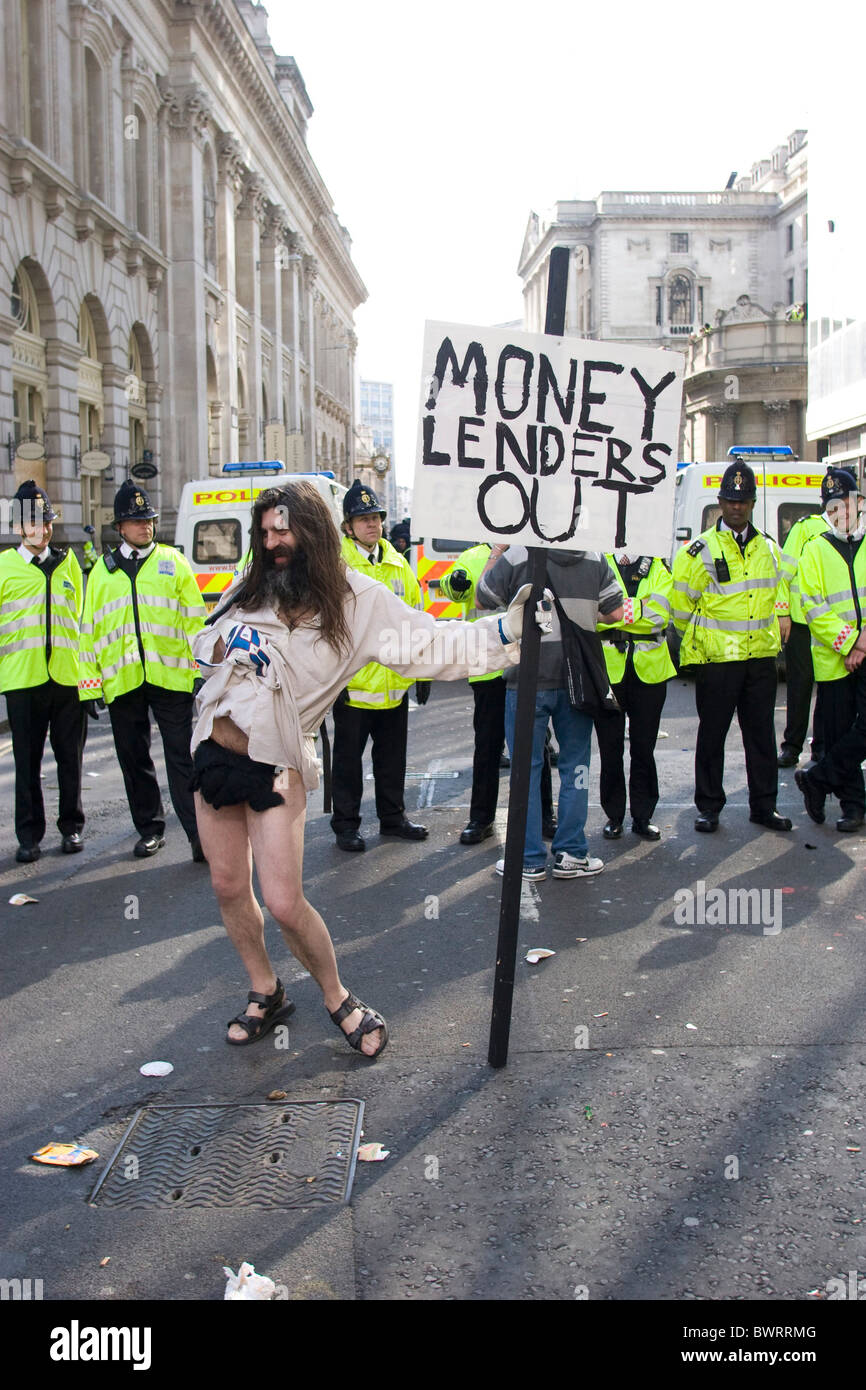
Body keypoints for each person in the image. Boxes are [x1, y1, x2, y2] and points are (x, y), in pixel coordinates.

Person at [190, 481, 533, 1051]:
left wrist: (506, 631)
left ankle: (337, 998)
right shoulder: (250, 584)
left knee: (283, 901)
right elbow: (203, 639)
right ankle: (265, 989)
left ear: (314, 532)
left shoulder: (359, 601)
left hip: (277, 765)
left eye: (283, 531)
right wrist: (220, 651)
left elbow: (432, 645)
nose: (272, 543)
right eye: (265, 532)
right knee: (228, 886)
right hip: (213, 754)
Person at [477, 545, 624, 879]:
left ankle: (528, 859)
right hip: (577, 679)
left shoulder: (518, 553)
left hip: (526, 679)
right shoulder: (594, 556)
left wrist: (496, 551)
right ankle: (572, 854)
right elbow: (615, 613)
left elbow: (482, 598)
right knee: (576, 767)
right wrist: (580, 615)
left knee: (525, 770)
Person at [78, 481, 207, 860]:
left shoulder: (173, 562)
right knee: (134, 760)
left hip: (172, 679)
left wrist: (201, 671)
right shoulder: (102, 572)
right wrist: (89, 686)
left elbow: (195, 621)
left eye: (148, 519)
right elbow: (89, 630)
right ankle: (150, 829)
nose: (145, 526)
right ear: (120, 527)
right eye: (136, 521)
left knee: (183, 758)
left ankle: (199, 835)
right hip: (124, 681)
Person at [671, 460, 790, 833]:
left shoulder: (769, 548)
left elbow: (781, 592)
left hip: (760, 659)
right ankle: (709, 807)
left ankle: (764, 806)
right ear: (720, 502)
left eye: (743, 501)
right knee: (712, 735)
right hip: (718, 660)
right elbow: (680, 609)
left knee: (761, 737)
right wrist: (701, 645)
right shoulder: (699, 551)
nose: (737, 507)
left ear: (752, 503)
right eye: (730, 500)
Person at [329, 481, 427, 851]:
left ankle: (393, 818)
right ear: (348, 526)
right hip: (353, 684)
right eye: (363, 519)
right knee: (348, 763)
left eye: (376, 517)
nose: (372, 524)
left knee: (391, 759)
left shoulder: (399, 564)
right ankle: (346, 825)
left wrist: (422, 670)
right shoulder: (335, 565)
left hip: (394, 682)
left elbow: (416, 618)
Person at [440, 542, 557, 844]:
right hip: (488, 666)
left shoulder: (531, 549)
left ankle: (544, 816)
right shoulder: (474, 555)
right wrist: (455, 583)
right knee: (488, 746)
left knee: (536, 744)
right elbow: (453, 588)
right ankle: (481, 819)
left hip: (526, 663)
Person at [0, 480, 87, 862]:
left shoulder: (68, 564)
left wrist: (90, 681)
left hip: (67, 679)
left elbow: (82, 623)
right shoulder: (4, 567)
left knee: (70, 759)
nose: (45, 529)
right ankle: (29, 836)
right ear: (19, 527)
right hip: (22, 679)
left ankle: (72, 827)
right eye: (36, 522)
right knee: (27, 762)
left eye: (48, 522)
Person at [794, 469, 866, 832]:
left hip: (864, 650)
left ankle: (818, 779)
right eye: (832, 507)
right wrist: (851, 642)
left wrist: (863, 641)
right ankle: (853, 806)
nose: (840, 513)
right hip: (834, 657)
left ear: (859, 503)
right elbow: (812, 606)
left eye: (846, 504)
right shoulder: (815, 548)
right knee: (838, 732)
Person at [595, 552, 676, 842]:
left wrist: (615, 614)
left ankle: (643, 816)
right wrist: (639, 607)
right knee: (610, 748)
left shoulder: (658, 566)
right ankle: (614, 816)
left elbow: (660, 616)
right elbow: (592, 617)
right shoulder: (600, 563)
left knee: (644, 748)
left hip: (650, 671)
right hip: (609, 671)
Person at [776, 472, 843, 768]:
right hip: (802, 622)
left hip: (835, 624)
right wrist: (782, 613)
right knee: (800, 687)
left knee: (829, 688)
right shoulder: (806, 528)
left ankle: (821, 746)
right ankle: (792, 746)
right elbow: (785, 573)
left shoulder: (851, 534)